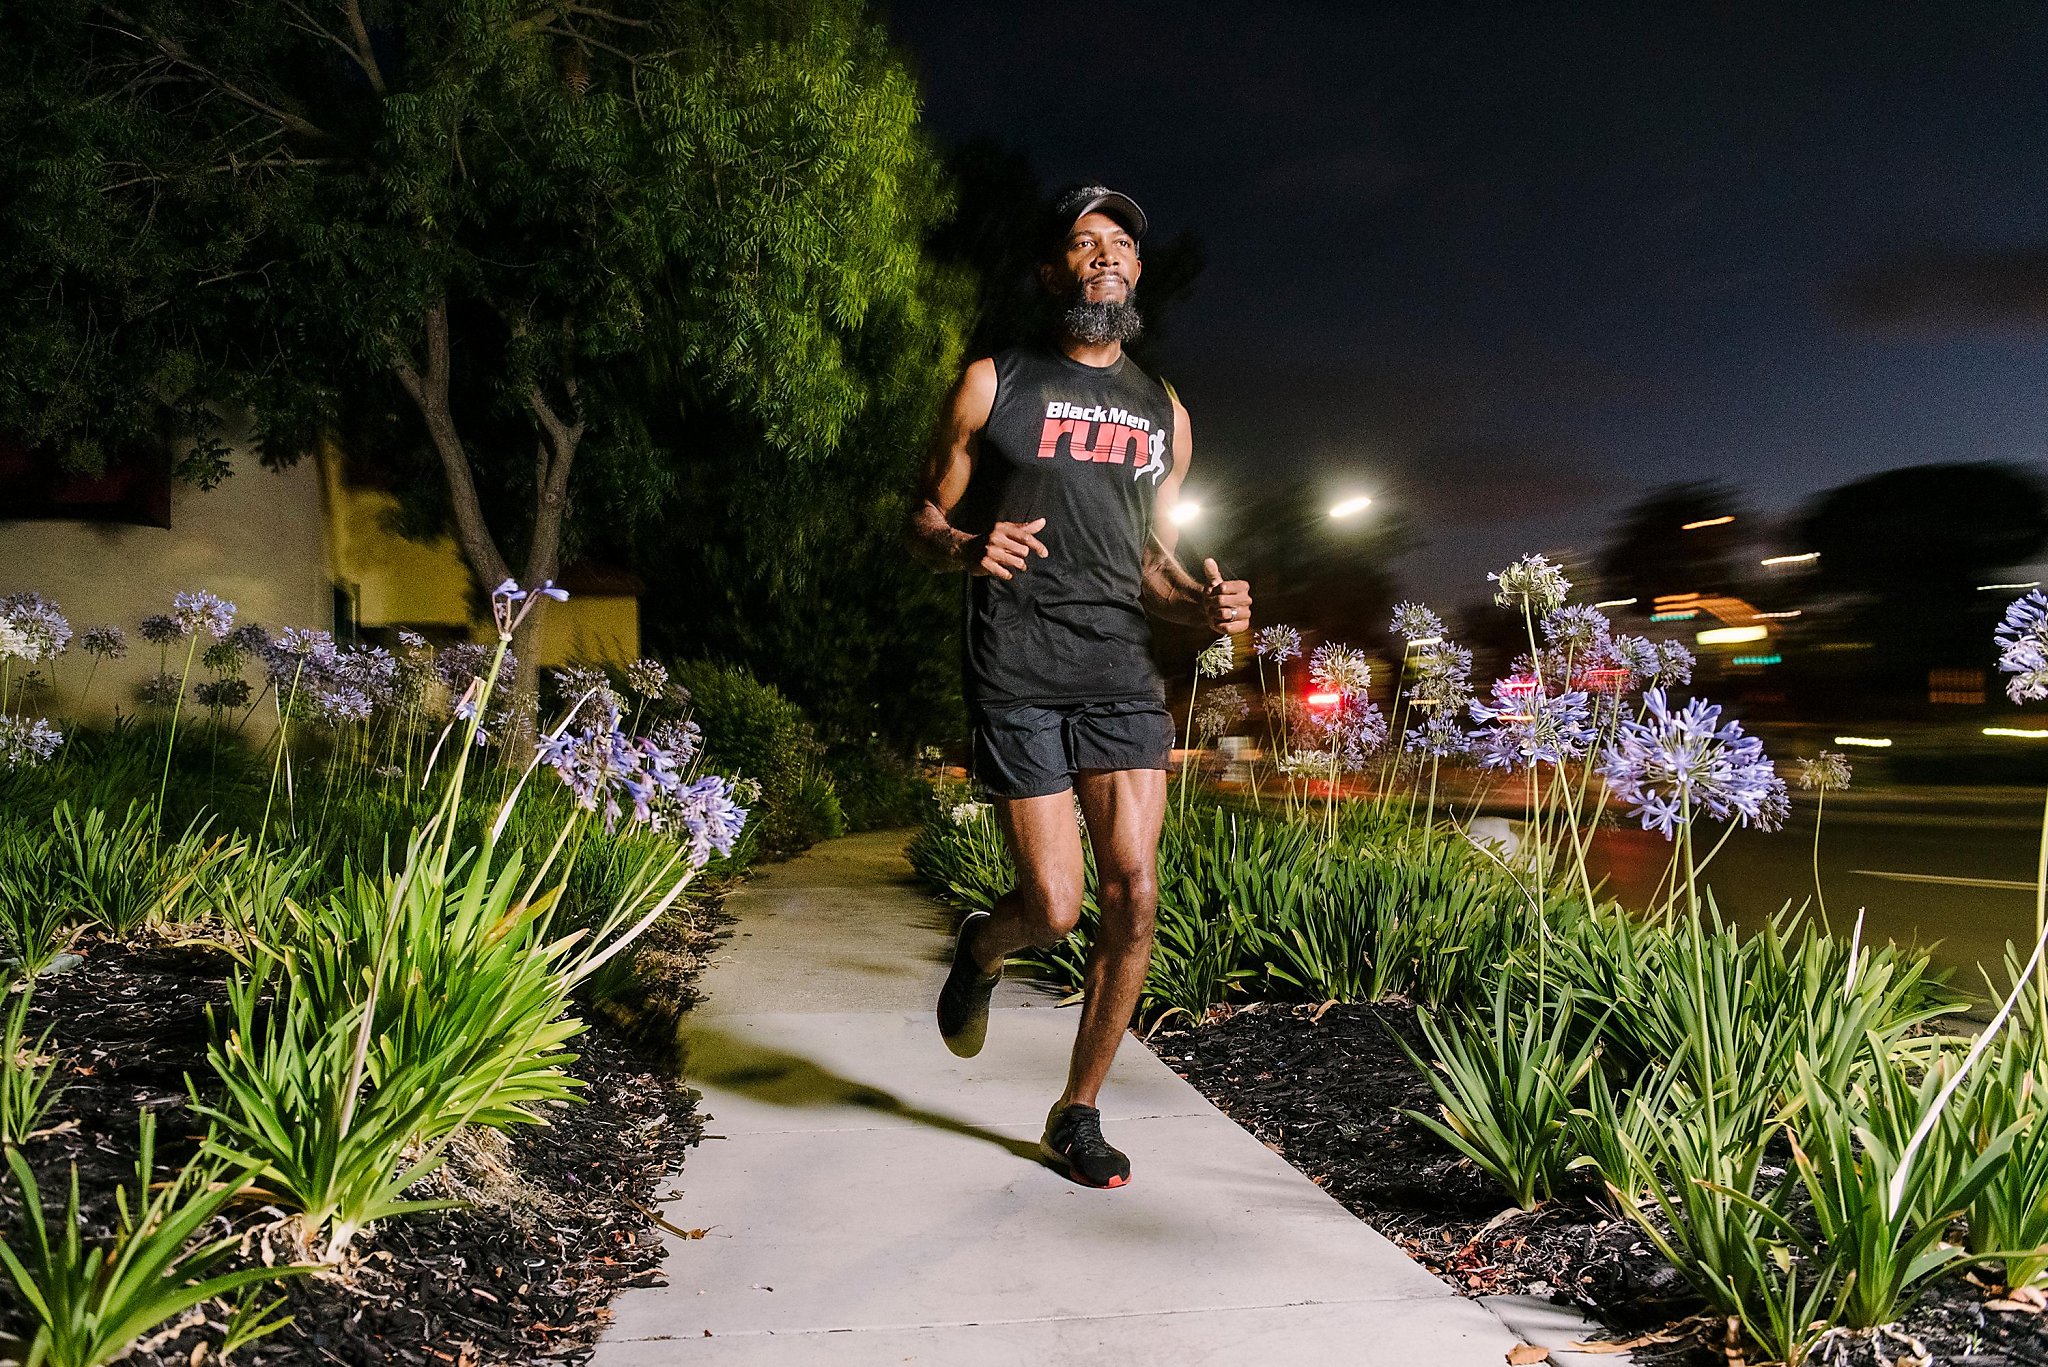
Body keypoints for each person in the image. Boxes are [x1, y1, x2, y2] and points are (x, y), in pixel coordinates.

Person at [908, 185, 1252, 1188]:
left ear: (1135, 272)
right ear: (1053, 271)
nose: (1101, 255)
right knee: (1053, 907)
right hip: (1014, 659)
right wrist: (967, 543)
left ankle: (1077, 1110)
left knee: (1133, 893)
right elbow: (919, 515)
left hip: (1115, 664)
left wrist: (1203, 606)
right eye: (1079, 242)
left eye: (1118, 244)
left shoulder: (1165, 413)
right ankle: (982, 945)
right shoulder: (994, 381)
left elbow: (1154, 565)